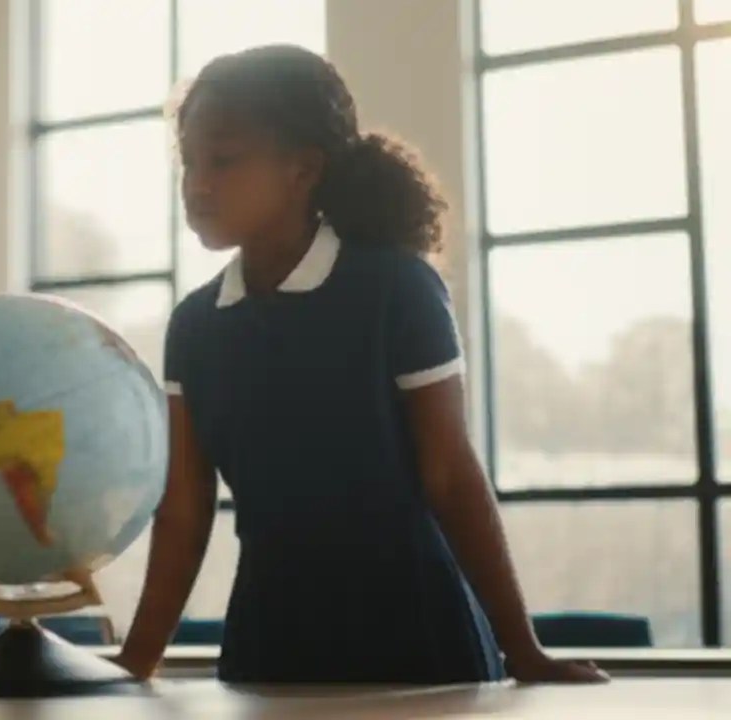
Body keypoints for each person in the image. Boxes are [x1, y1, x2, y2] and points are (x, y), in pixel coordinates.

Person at [114, 44, 609, 686]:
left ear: (303, 171)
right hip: (268, 655)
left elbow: (452, 479)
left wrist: (526, 652)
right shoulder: (195, 325)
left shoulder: (397, 289)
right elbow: (184, 512)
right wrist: (133, 665)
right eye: (190, 164)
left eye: (224, 161)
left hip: (421, 650)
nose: (198, 185)